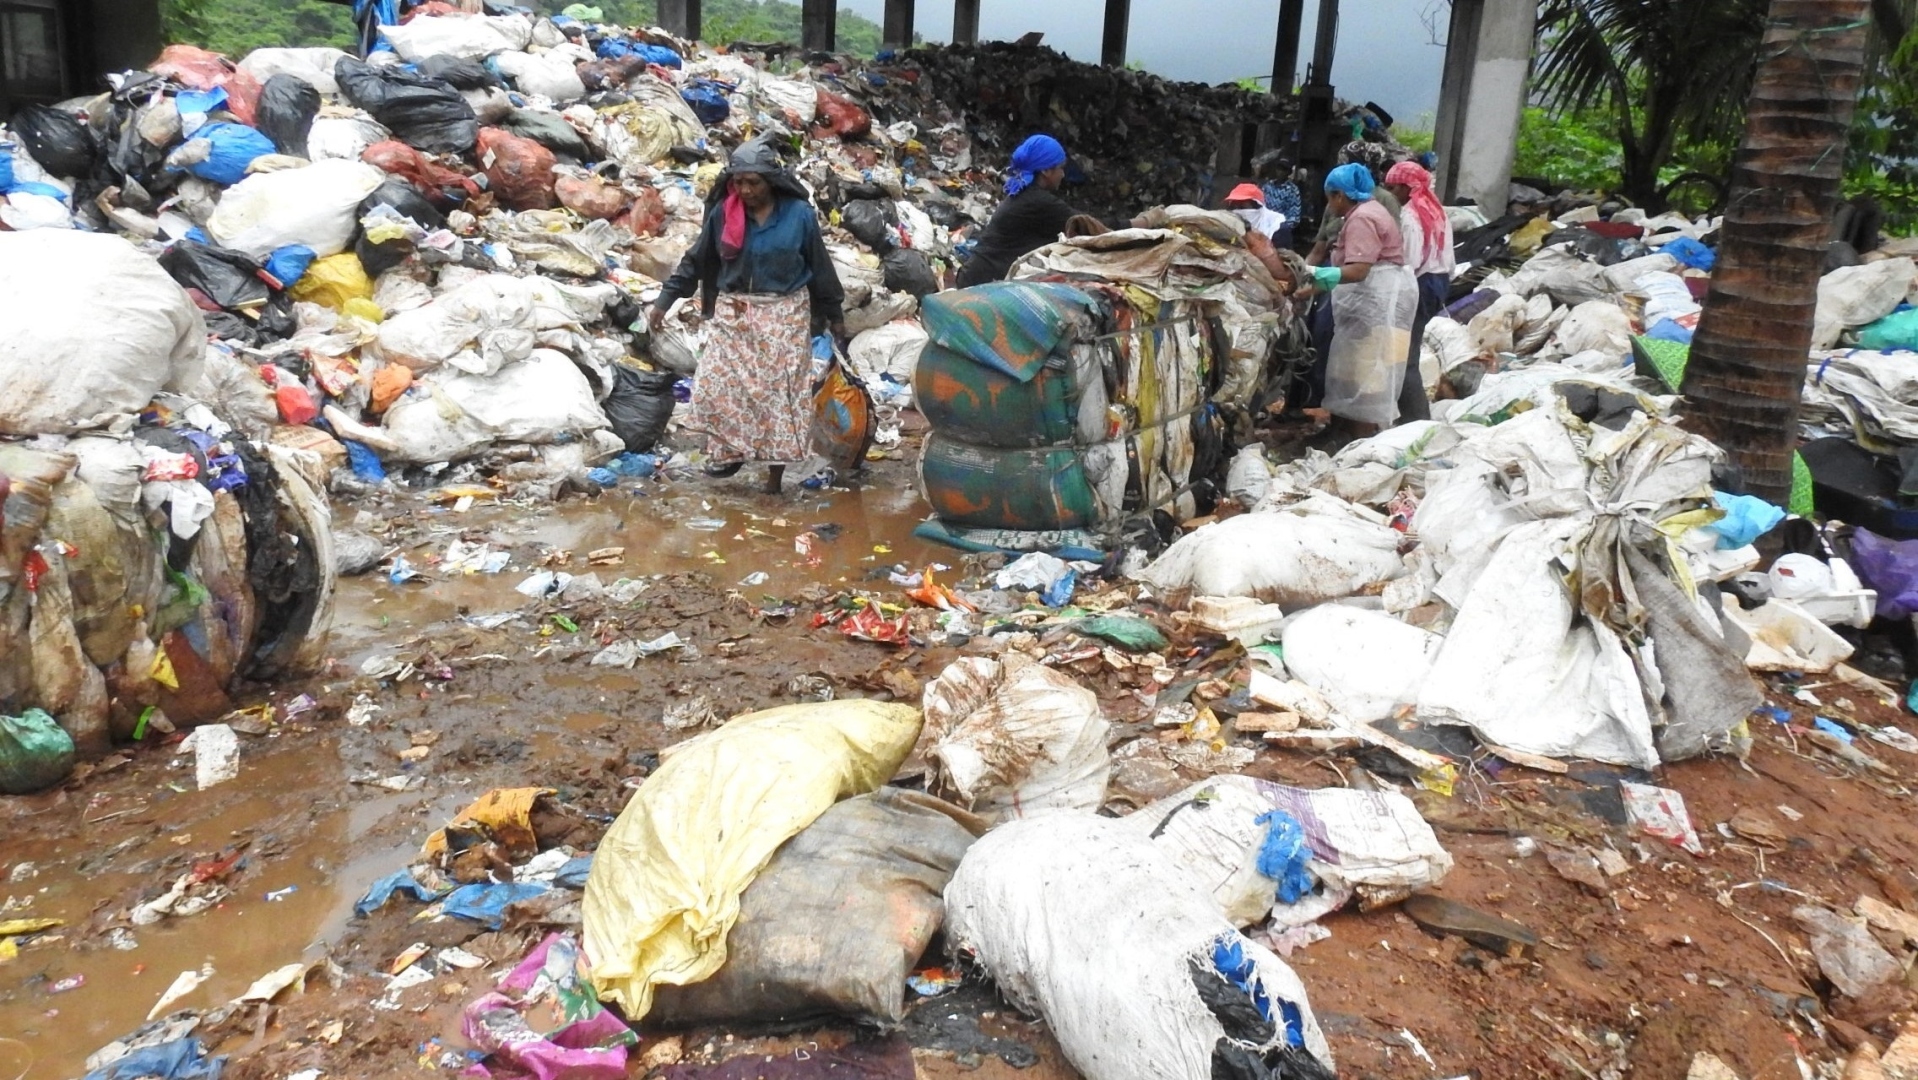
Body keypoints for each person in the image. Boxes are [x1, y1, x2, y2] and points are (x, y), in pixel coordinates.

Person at [650, 136, 846, 494]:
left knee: (777, 396)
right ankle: (730, 452)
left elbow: (819, 265)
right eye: (738, 182)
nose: (745, 189)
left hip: (783, 314)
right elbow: (698, 259)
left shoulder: (798, 216)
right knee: (720, 385)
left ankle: (773, 479)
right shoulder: (725, 212)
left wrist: (834, 316)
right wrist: (665, 300)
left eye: (753, 182)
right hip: (735, 311)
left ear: (771, 180)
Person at [1303, 162, 1417, 438]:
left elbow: (1358, 270)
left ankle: (1359, 436)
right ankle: (1341, 430)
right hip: (1372, 298)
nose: (1330, 204)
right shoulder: (1369, 211)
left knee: (1365, 371)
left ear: (1340, 195)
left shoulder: (1362, 218)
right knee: (1348, 367)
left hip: (1375, 301)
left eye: (1331, 197)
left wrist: (1311, 277)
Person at [957, 134, 1094, 287]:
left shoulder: (1024, 196)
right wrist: (1125, 224)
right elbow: (1085, 225)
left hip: (977, 277)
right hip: (981, 284)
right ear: (1046, 171)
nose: (1062, 174)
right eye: (1061, 168)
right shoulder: (1038, 202)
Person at [1382, 160, 1456, 424]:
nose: (1389, 193)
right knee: (1404, 351)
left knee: (1404, 357)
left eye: (1392, 187)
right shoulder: (1436, 211)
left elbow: (1408, 264)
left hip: (1418, 284)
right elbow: (1450, 258)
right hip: (1438, 282)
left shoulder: (1410, 216)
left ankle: (1416, 419)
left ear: (1406, 187)